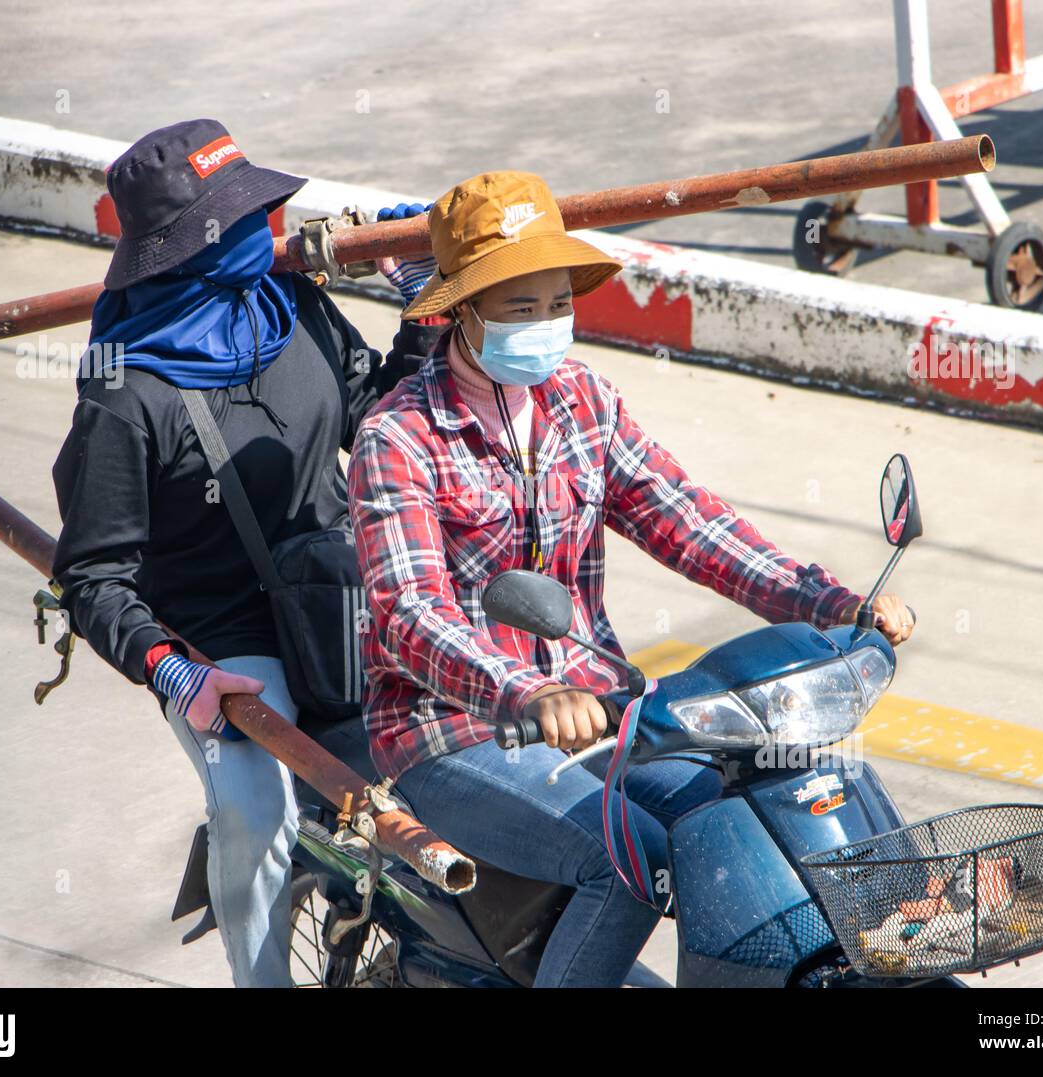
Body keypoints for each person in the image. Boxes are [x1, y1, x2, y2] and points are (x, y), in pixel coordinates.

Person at [347, 170, 914, 988]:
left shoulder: (585, 401)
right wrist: (525, 694)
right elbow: (410, 613)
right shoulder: (399, 435)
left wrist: (835, 602)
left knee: (746, 812)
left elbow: (692, 526)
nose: (544, 325)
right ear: (460, 311)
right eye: (518, 307)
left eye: (556, 303)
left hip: (611, 715)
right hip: (454, 732)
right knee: (626, 861)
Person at [50, 119, 443, 987]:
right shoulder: (124, 393)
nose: (266, 229)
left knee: (473, 744)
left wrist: (428, 301)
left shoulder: (289, 303)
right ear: (182, 251)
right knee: (255, 805)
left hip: (341, 596)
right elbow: (92, 578)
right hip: (226, 645)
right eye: (239, 220)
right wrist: (178, 674)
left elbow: (377, 419)